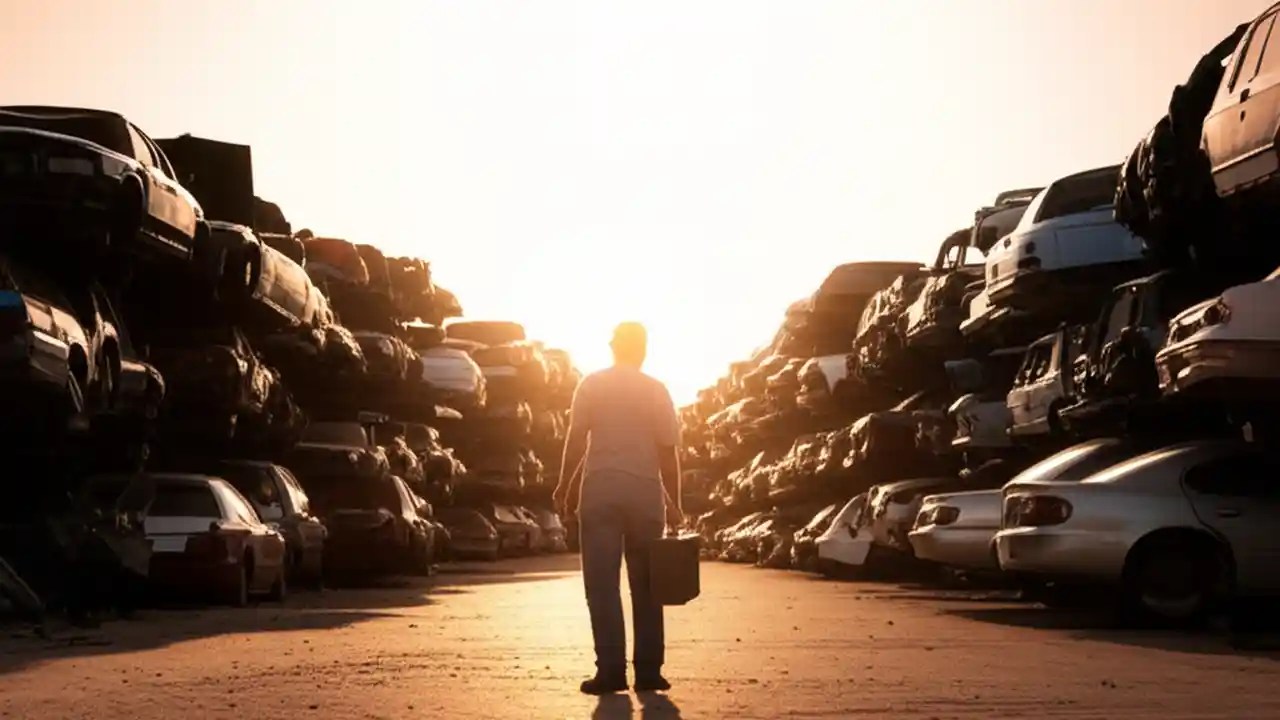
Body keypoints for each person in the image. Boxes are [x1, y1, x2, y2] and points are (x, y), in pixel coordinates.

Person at [553, 322, 683, 695]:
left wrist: (564, 486)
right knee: (647, 586)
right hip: (645, 494)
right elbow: (668, 452)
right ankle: (648, 671)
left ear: (613, 348)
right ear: (642, 350)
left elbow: (576, 440)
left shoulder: (592, 385)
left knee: (602, 586)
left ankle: (610, 671)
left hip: (601, 492)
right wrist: (675, 503)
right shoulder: (656, 390)